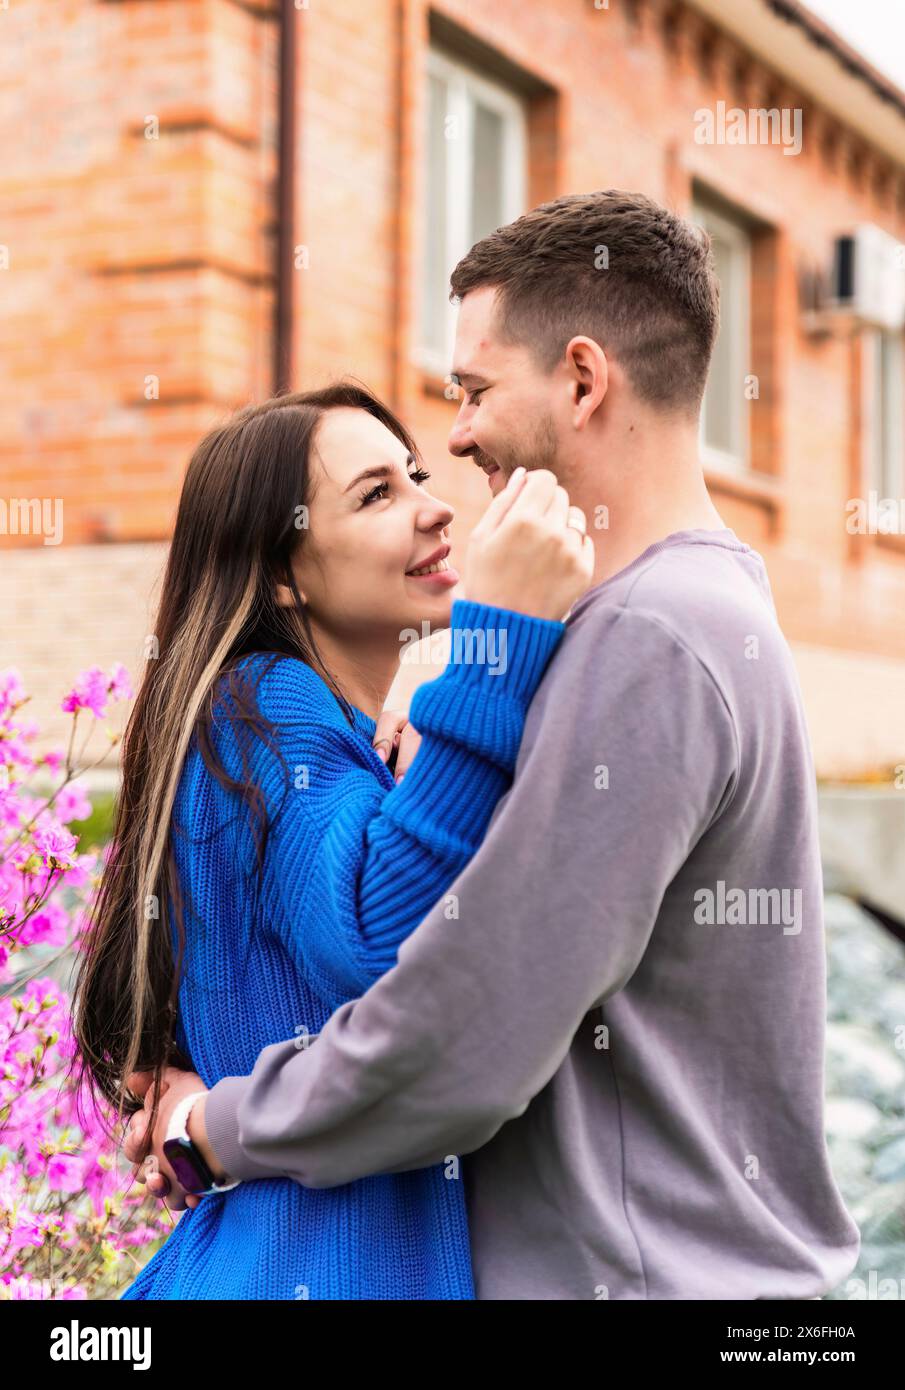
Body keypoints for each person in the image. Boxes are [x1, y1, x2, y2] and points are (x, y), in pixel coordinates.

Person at [125, 191, 861, 1300]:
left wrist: (208, 1124)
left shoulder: (648, 638)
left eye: (470, 391)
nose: (455, 439)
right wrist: (466, 678)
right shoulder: (672, 617)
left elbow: (459, 1038)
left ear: (579, 378)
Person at [70, 380, 593, 1299]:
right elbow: (379, 941)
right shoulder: (262, 701)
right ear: (281, 573)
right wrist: (496, 645)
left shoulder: (318, 733)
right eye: (376, 494)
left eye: (417, 475)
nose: (436, 510)